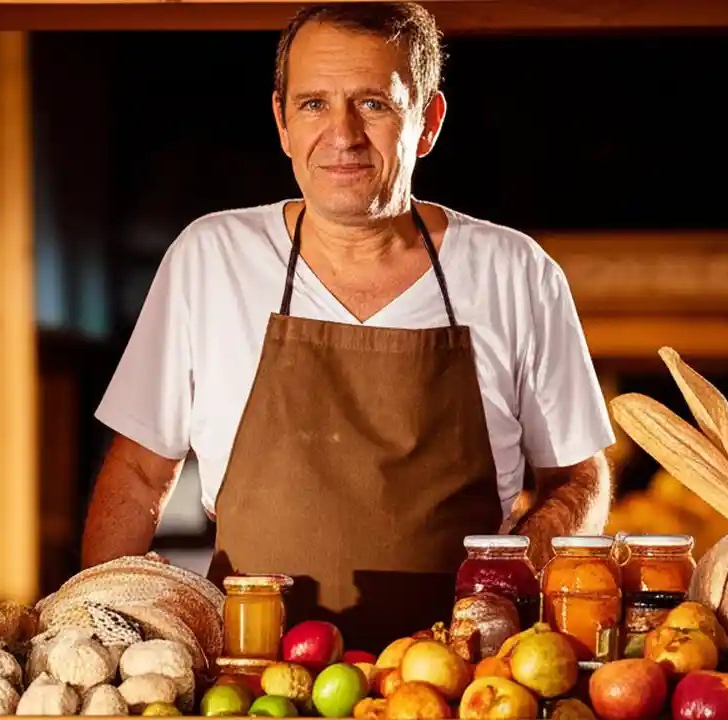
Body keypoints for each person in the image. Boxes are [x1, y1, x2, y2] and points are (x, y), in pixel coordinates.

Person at [81, 2, 615, 650]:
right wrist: (94, 641)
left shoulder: (514, 272)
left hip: (466, 681)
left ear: (428, 122)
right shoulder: (209, 257)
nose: (342, 134)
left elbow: (578, 478)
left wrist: (509, 578)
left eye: (373, 104)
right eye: (313, 104)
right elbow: (139, 472)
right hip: (252, 679)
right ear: (280, 120)